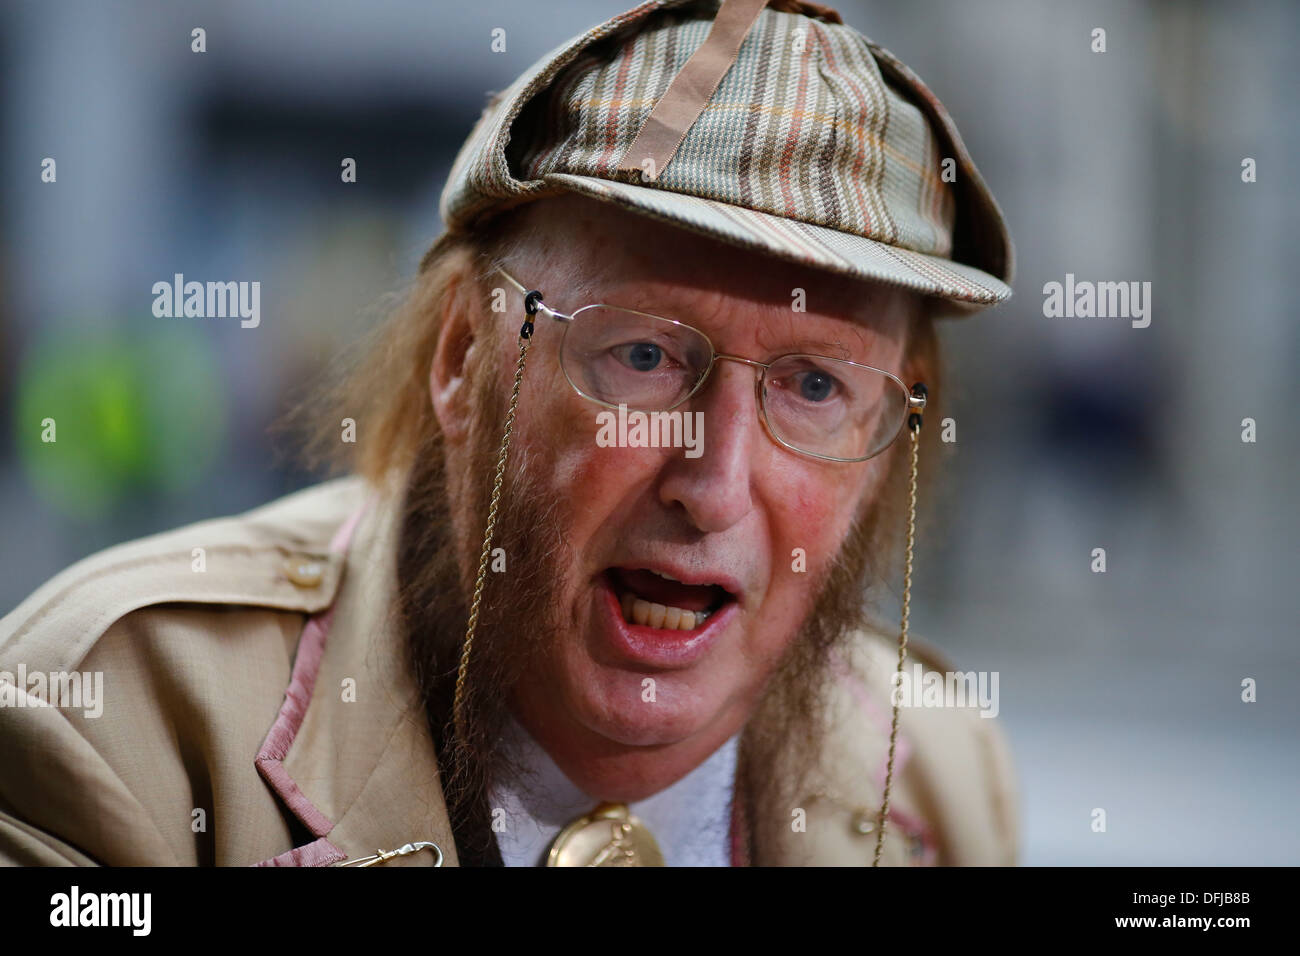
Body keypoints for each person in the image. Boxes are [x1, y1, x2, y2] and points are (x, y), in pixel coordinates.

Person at [0, 0, 1018, 867]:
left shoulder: (937, 773)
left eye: (814, 385)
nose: (713, 487)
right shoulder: (117, 717)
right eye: (644, 356)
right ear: (461, 358)